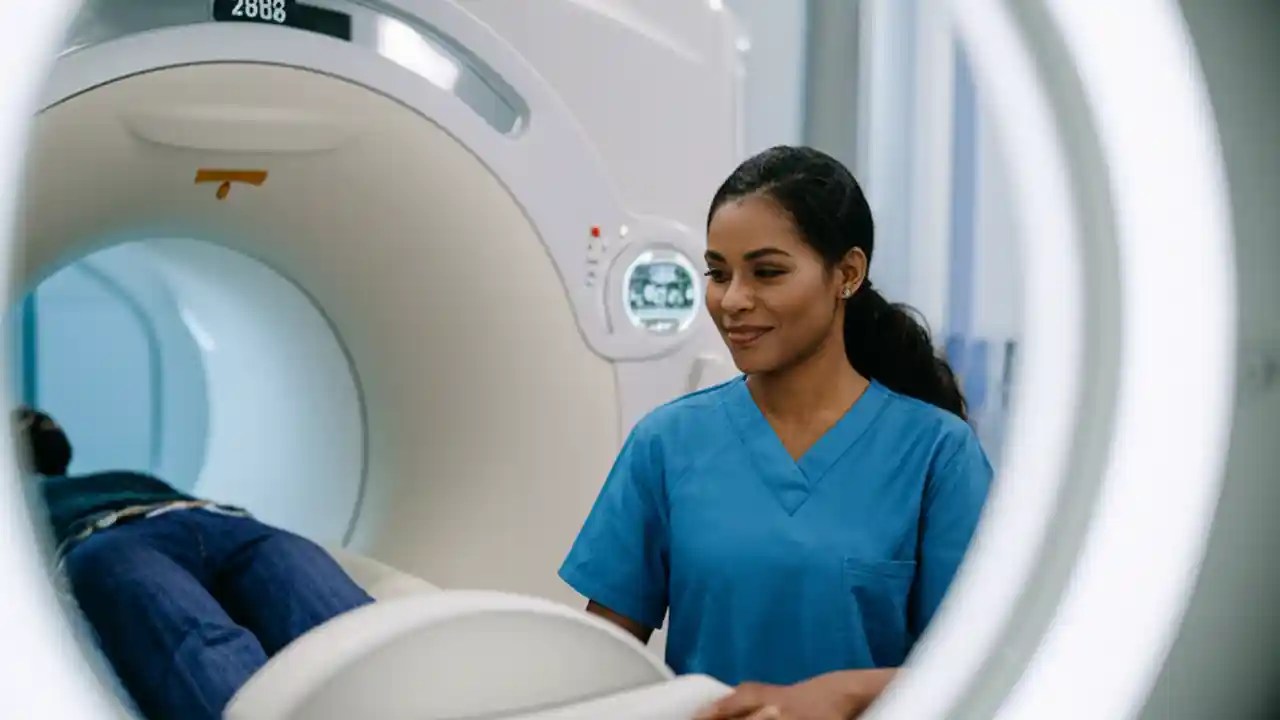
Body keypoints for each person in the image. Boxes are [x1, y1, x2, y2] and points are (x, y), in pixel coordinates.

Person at [558, 146, 993, 720]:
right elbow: (599, 666)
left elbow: (989, 660)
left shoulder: (938, 454)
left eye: (767, 272)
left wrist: (844, 695)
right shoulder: (666, 444)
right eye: (717, 273)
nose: (733, 300)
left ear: (847, 274)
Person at [13, 406, 374, 720]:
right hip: (103, 539)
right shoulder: (16, 501)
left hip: (219, 521)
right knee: (204, 645)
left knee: (344, 623)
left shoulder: (125, 476)